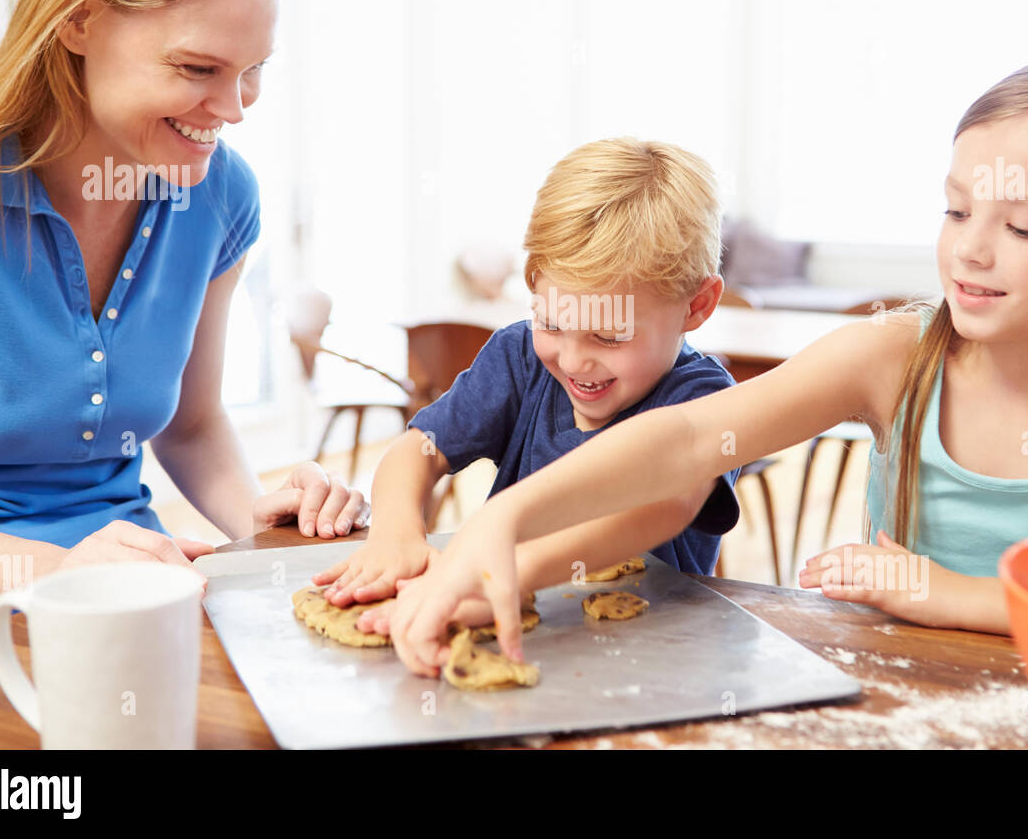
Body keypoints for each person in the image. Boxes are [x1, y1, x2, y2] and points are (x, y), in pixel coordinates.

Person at [380, 51, 1028, 676]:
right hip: (895, 682)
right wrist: (503, 520)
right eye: (957, 209)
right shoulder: (894, 357)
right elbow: (688, 443)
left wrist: (952, 594)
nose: (970, 251)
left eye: (1024, 229)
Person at [0, 0, 362, 631]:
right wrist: (58, 572)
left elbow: (191, 426)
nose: (233, 110)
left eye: (253, 68)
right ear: (78, 18)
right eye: (198, 70)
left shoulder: (220, 196)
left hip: (138, 604)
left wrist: (262, 516)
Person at [311, 137, 742, 627]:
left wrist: (501, 574)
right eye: (552, 324)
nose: (576, 361)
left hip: (655, 655)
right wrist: (396, 533)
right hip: (511, 636)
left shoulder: (704, 399)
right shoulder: (519, 359)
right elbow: (418, 449)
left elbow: (662, 505)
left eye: (608, 336)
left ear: (697, 305)